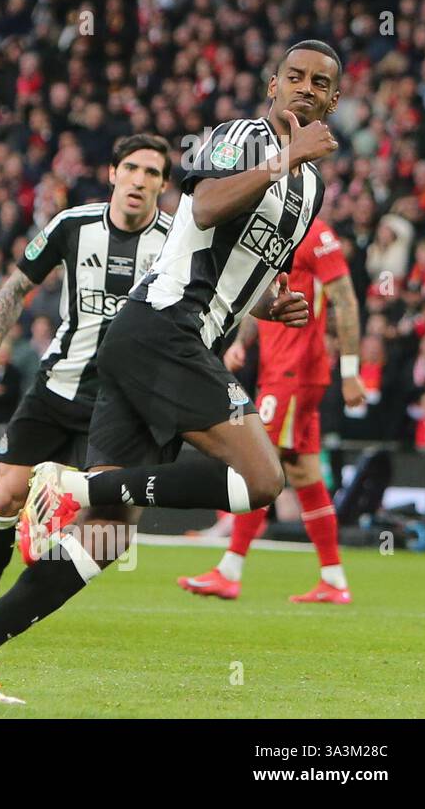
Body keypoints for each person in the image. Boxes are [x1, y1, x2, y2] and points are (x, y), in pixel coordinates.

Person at [0, 40, 338, 701]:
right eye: (295, 77)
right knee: (261, 479)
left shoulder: (309, 186)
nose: (306, 89)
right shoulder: (243, 138)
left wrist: (270, 304)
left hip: (166, 343)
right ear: (272, 85)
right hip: (162, 330)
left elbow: (226, 257)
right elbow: (199, 209)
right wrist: (285, 156)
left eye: (320, 83)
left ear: (333, 100)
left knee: (107, 539)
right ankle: (72, 486)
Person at [0, 134, 172, 636]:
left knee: (115, 532)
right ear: (112, 174)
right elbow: (16, 287)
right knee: (5, 495)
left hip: (124, 404)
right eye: (131, 168)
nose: (139, 180)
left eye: (152, 173)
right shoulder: (72, 225)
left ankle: (41, 570)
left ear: (164, 185)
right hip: (58, 386)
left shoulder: (176, 242)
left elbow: (222, 293)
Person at [179, 216, 365, 602]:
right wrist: (241, 343)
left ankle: (230, 570)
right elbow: (259, 293)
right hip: (279, 370)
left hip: (296, 372)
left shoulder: (317, 234)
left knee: (258, 461)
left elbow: (345, 298)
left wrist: (350, 372)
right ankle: (333, 579)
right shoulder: (270, 228)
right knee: (304, 473)